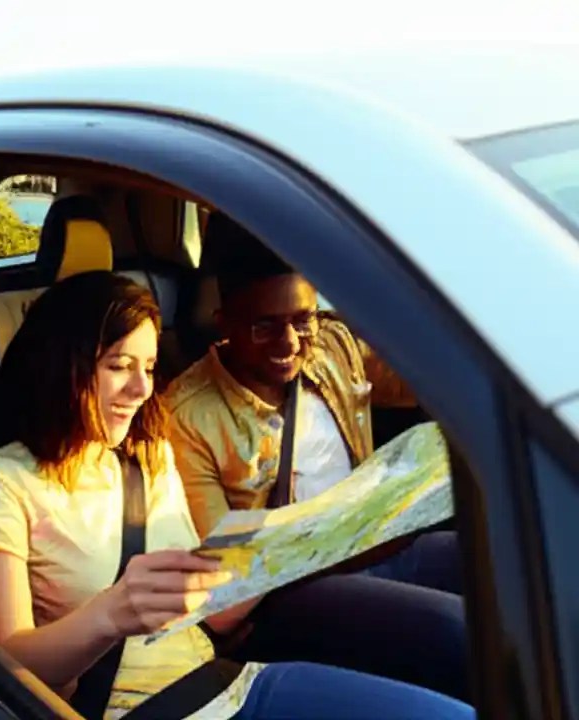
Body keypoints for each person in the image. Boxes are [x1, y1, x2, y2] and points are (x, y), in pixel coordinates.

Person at [0, 271, 470, 719]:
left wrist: (306, 536)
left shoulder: (147, 456)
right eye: (119, 366)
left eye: (149, 367)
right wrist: (109, 614)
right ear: (64, 365)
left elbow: (216, 610)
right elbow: (11, 665)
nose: (142, 389)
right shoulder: (1, 480)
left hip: (230, 681)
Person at [164, 213, 467, 700]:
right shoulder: (186, 416)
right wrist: (306, 534)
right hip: (288, 590)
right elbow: (223, 576)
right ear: (225, 325)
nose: (289, 344)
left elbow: (421, 380)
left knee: (513, 563)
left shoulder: (330, 344)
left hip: (379, 540)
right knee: (458, 634)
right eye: (265, 327)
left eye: (301, 321)